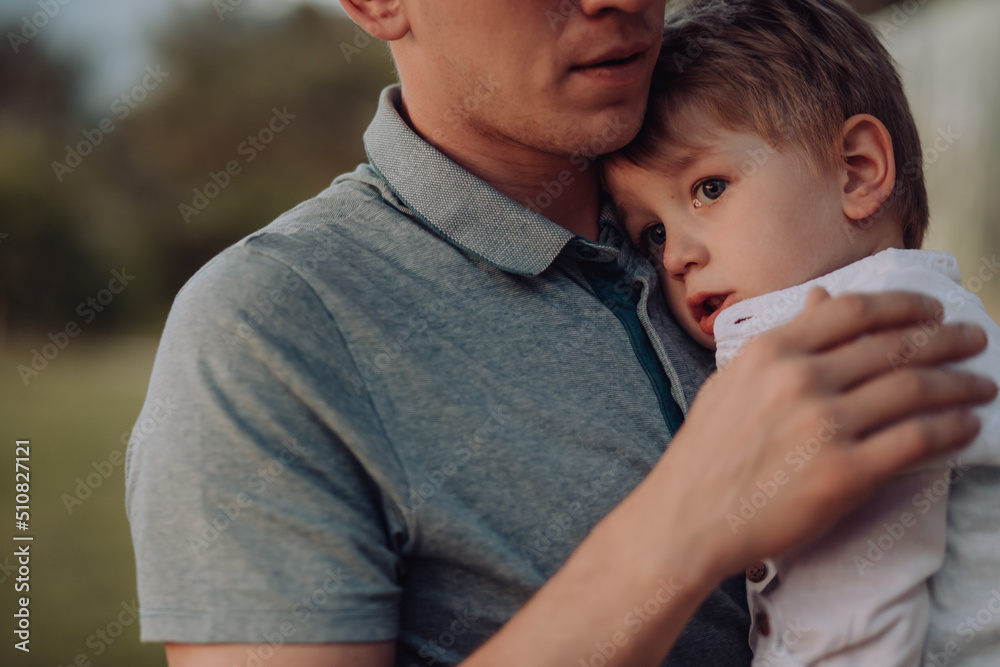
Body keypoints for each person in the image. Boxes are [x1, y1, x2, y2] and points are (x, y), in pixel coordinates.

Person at [124, 0, 996, 665]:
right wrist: (678, 530)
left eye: (705, 194)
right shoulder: (268, 331)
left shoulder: (769, 190)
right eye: (658, 231)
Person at [602, 0, 1000, 665]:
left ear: (857, 170)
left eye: (708, 187)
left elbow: (853, 628)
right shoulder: (909, 310)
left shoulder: (862, 346)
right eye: (654, 232)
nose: (675, 257)